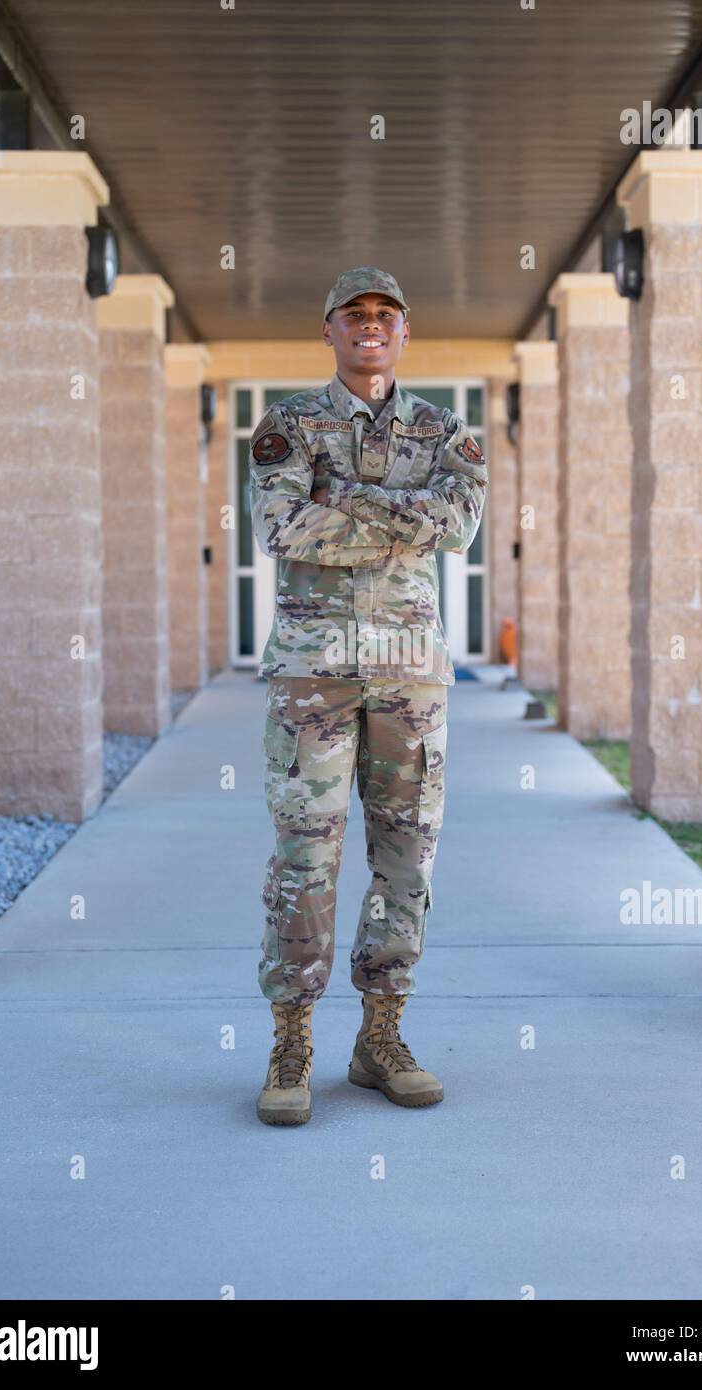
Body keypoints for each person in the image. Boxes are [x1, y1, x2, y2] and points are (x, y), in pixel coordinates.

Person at [248, 267, 488, 1125]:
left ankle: (380, 1037)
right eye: (356, 314)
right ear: (330, 330)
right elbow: (282, 528)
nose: (371, 325)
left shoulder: (445, 430)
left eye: (387, 314)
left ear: (404, 331)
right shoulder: (287, 426)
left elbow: (457, 526)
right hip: (312, 675)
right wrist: (399, 510)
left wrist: (339, 498)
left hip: (409, 677)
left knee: (406, 859)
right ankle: (291, 1042)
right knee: (305, 861)